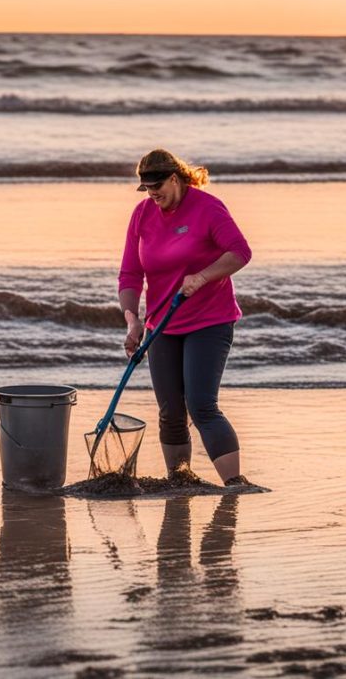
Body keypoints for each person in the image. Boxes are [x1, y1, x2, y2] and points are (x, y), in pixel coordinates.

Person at [117, 149, 253, 486]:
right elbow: (130, 275)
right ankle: (180, 482)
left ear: (175, 179)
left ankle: (235, 485)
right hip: (161, 325)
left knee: (201, 404)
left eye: (157, 187)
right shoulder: (142, 215)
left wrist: (203, 276)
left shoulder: (208, 208)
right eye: (147, 189)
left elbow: (240, 252)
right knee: (170, 412)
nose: (153, 195)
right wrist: (133, 321)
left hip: (210, 320)